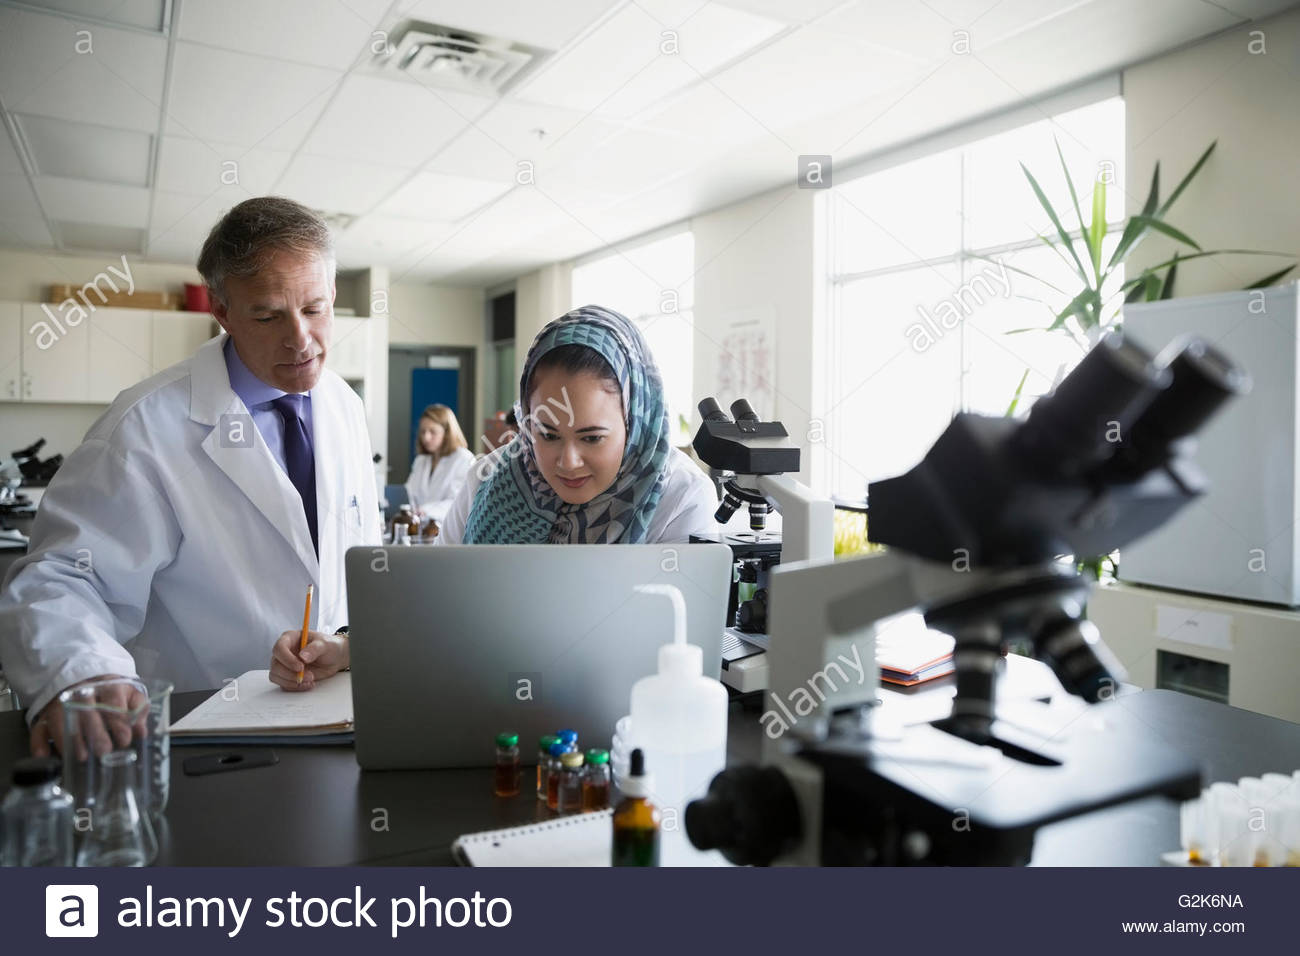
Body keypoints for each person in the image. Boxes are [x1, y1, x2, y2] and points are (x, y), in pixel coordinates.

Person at [0, 197, 382, 755]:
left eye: (317, 309)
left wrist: (347, 642)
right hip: (200, 732)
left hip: (337, 720)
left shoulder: (344, 406)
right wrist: (80, 675)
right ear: (223, 313)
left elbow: (356, 566)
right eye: (268, 316)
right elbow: (60, 577)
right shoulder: (144, 427)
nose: (301, 340)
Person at [438, 305, 718, 545]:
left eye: (592, 438)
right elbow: (436, 588)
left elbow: (683, 608)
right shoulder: (486, 481)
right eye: (547, 435)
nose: (568, 462)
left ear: (633, 424)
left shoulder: (681, 496)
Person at [403, 404, 474, 525]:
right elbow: (409, 493)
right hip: (420, 527)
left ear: (447, 433)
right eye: (423, 431)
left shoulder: (464, 459)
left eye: (432, 432)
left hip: (446, 529)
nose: (426, 437)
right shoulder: (421, 460)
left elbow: (458, 502)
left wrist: (426, 510)